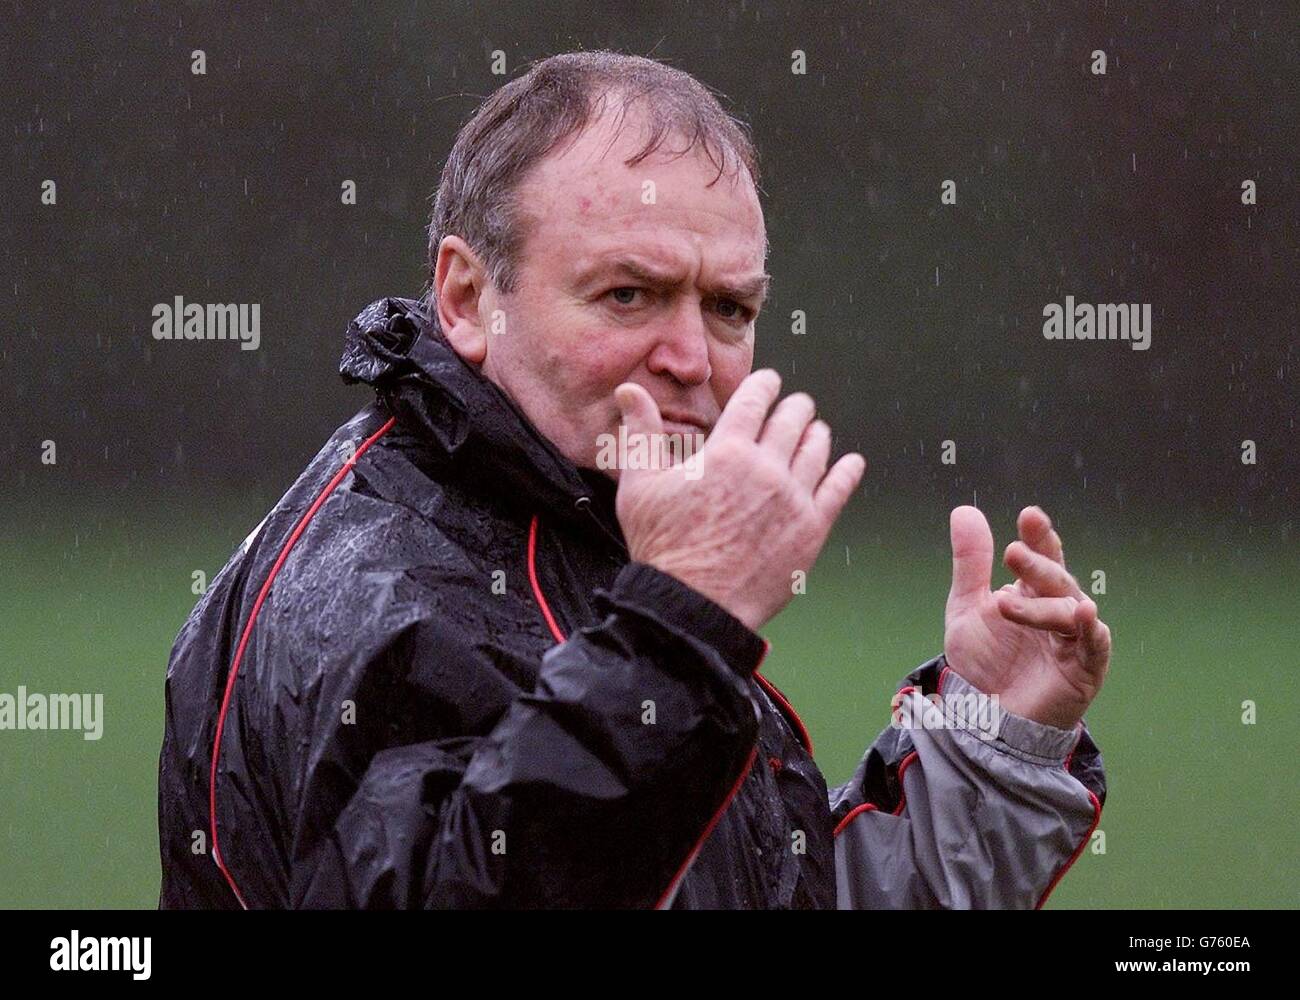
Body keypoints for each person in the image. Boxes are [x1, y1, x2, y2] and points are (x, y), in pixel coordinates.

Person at [157, 50, 1108, 909]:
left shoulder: (587, 526)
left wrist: (987, 750)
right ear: (467, 299)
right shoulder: (379, 593)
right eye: (628, 294)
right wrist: (675, 630)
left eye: (730, 307)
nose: (693, 356)